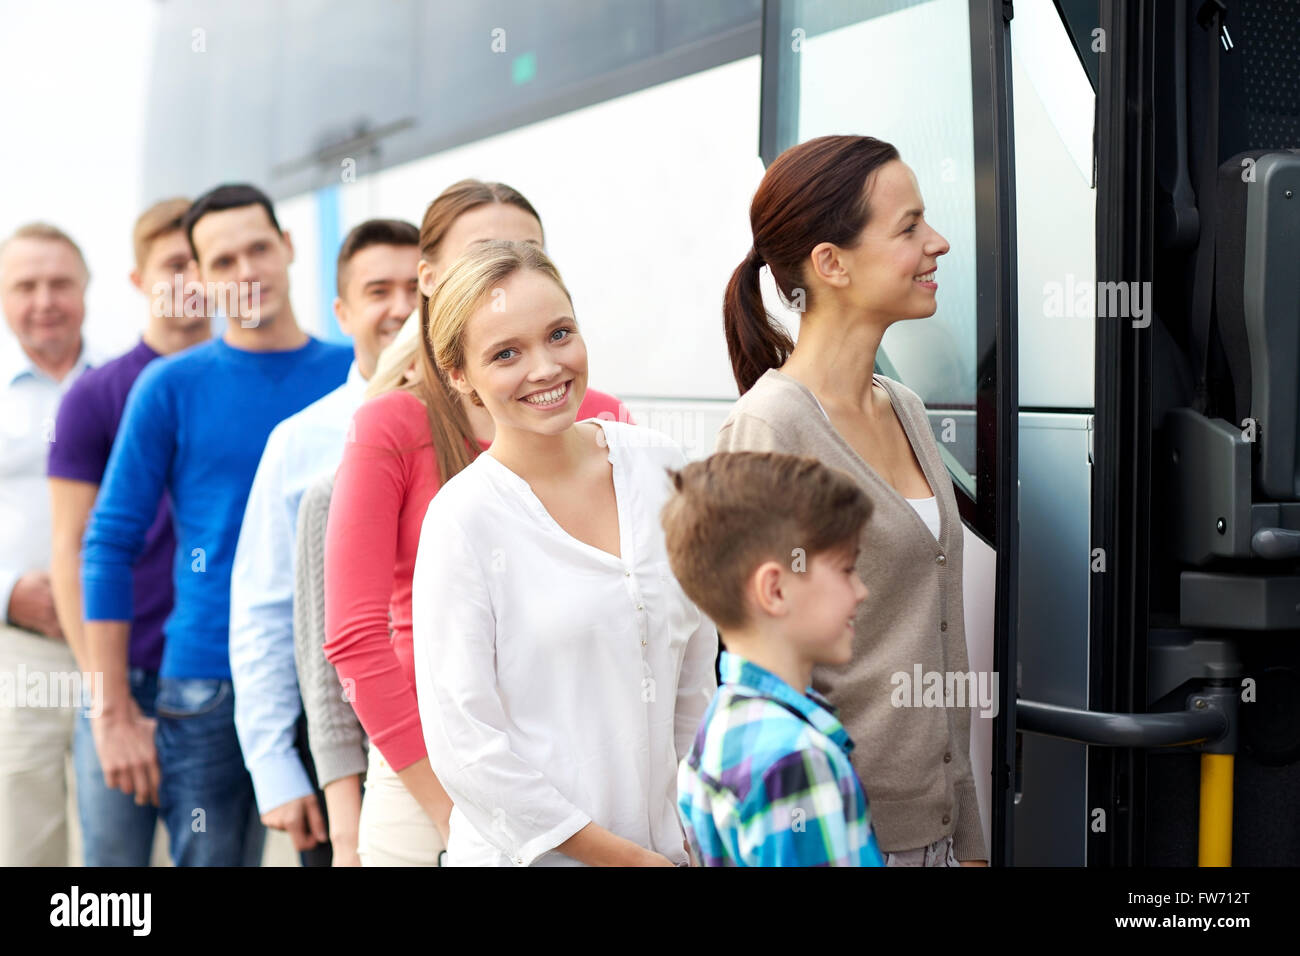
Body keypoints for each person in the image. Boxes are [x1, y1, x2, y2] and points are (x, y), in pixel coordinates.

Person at [323, 180, 634, 866]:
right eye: (486, 255)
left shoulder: (607, 420)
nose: (509, 273)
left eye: (527, 252)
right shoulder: (391, 426)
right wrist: (445, 806)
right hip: (424, 772)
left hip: (580, 759)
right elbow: (352, 637)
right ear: (432, 282)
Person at [715, 134, 988, 866]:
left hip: (934, 836)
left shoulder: (905, 408)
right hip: (835, 840)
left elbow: (937, 634)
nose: (938, 244)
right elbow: (755, 671)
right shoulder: (769, 429)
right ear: (830, 264)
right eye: (908, 228)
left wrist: (968, 835)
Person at [410, 240, 718, 867]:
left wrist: (689, 832)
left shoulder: (664, 467)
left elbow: (696, 674)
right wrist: (625, 859)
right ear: (459, 375)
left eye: (560, 334)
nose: (546, 368)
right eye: (506, 354)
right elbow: (466, 747)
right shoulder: (462, 521)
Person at [81, 183, 353, 866]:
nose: (247, 271)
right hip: (207, 684)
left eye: (259, 248)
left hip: (340, 669)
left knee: (356, 856)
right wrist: (112, 711)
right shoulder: (170, 387)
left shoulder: (354, 374)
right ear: (198, 279)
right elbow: (108, 544)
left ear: (288, 248)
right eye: (222, 261)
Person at [229, 219, 419, 867]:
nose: (401, 308)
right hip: (342, 751)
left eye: (417, 288)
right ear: (342, 311)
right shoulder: (301, 442)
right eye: (378, 290)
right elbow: (263, 611)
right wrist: (275, 766)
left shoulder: (474, 424)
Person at [47, 198, 210, 866]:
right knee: (113, 882)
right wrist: (106, 701)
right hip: (126, 673)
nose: (196, 280)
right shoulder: (96, 395)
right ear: (140, 280)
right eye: (176, 264)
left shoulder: (243, 383)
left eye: (208, 263)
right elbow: (70, 548)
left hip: (217, 677)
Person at [663, 450, 884, 866]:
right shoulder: (795, 761)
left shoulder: (723, 727)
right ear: (776, 590)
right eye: (847, 570)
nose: (861, 591)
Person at [0, 222, 105, 865]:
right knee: (25, 828)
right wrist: (7, 592)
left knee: (123, 826)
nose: (44, 300)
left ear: (86, 292)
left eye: (60, 283)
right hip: (25, 650)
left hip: (117, 641)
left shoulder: (125, 384)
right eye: (25, 285)